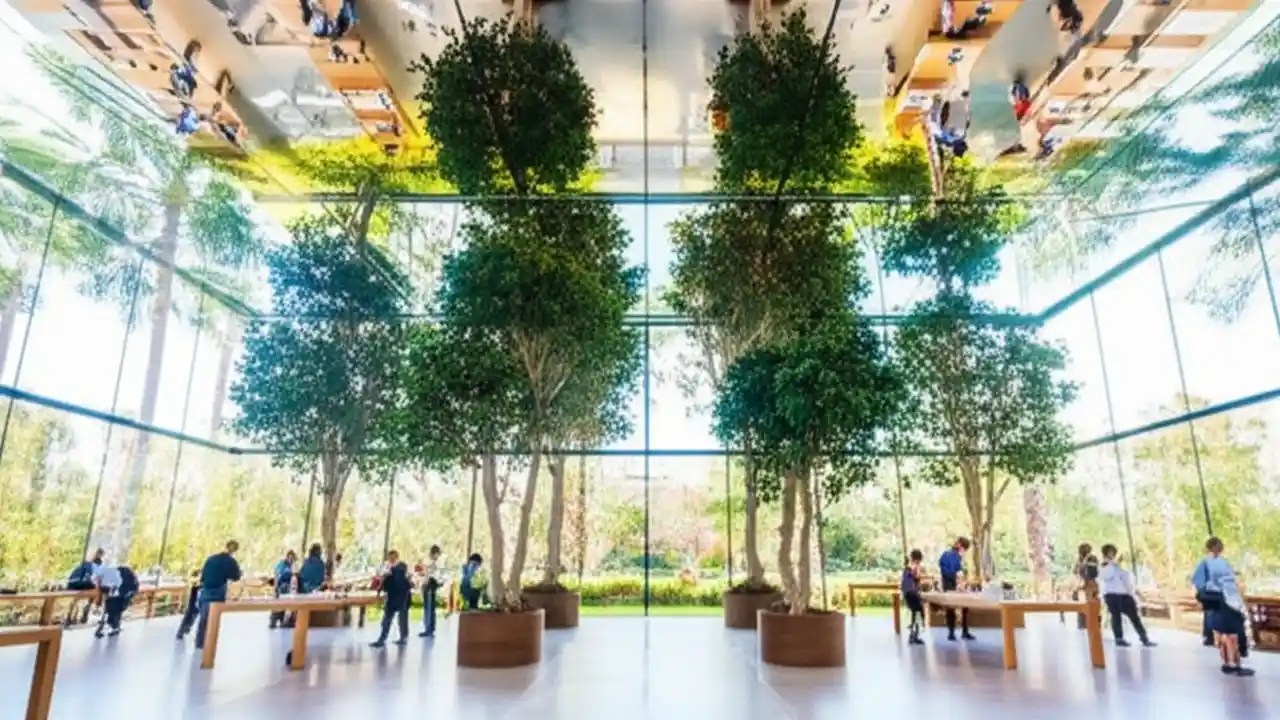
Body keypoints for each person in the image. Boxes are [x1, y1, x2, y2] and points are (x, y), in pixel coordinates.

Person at [1194, 537, 1253, 676]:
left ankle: (1226, 663)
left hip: (1216, 603)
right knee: (1232, 634)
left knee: (1222, 634)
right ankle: (1235, 664)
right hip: (1227, 601)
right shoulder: (1217, 563)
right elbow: (1229, 584)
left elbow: (1197, 583)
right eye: (1220, 545)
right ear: (1215, 547)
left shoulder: (1204, 564)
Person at [1098, 544, 1155, 647]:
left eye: (1113, 552)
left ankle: (1144, 638)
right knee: (1116, 617)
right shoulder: (1105, 565)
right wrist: (1111, 564)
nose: (1112, 554)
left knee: (1134, 616)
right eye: (1110, 552)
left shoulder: (1116, 566)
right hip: (1111, 594)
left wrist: (1133, 591)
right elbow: (1106, 576)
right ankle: (1119, 638)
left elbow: (1125, 579)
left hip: (1124, 594)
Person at [194, 540, 243, 650]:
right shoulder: (230, 561)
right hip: (217, 593)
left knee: (203, 619)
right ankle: (209, 644)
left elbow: (203, 576)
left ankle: (199, 642)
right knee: (213, 619)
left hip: (205, 591)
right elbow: (236, 576)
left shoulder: (211, 559)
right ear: (234, 550)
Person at [371, 550, 411, 648]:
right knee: (387, 619)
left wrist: (388, 572)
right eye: (390, 558)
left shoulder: (401, 566)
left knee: (402, 618)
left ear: (396, 557)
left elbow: (402, 575)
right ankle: (382, 639)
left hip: (402, 595)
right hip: (392, 596)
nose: (391, 560)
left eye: (393, 558)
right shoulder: (388, 568)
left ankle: (403, 637)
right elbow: (382, 578)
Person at [938, 537, 974, 641]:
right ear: (960, 546)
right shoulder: (952, 555)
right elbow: (952, 571)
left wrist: (960, 579)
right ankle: (958, 632)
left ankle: (956, 632)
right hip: (951, 584)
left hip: (951, 584)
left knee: (956, 608)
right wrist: (958, 578)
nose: (964, 551)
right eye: (964, 548)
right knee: (955, 608)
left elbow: (948, 569)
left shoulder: (949, 555)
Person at [96, 564, 139, 638]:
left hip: (112, 596)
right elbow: (135, 588)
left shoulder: (114, 575)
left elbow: (104, 584)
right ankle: (114, 626)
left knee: (109, 611)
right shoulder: (130, 576)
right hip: (122, 596)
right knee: (117, 611)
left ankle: (106, 627)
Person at [901, 549, 926, 646]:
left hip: (907, 593)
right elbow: (916, 576)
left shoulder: (907, 567)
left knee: (915, 613)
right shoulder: (913, 566)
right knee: (918, 612)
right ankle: (914, 635)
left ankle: (913, 635)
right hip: (911, 593)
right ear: (917, 559)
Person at [1074, 543, 1100, 630]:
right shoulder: (1079, 560)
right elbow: (1076, 571)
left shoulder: (1091, 558)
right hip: (1084, 584)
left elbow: (1094, 571)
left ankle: (1091, 622)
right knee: (1083, 604)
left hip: (1089, 584)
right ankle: (1083, 623)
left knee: (1091, 603)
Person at [420, 545, 443, 638]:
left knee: (429, 608)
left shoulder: (436, 563)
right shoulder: (431, 563)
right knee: (428, 608)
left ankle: (429, 629)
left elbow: (434, 576)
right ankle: (428, 628)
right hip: (427, 586)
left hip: (431, 586)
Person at [269, 550, 297, 629]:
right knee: (278, 605)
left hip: (286, 588)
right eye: (291, 558)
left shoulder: (289, 566)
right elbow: (277, 576)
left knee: (284, 605)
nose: (292, 560)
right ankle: (274, 621)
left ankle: (283, 621)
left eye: (293, 559)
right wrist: (276, 587)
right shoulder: (282, 565)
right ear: (288, 557)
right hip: (281, 587)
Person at [175, 567, 201, 640]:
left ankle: (185, 629)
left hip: (198, 594)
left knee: (192, 614)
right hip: (196, 595)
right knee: (191, 614)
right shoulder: (196, 581)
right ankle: (183, 631)